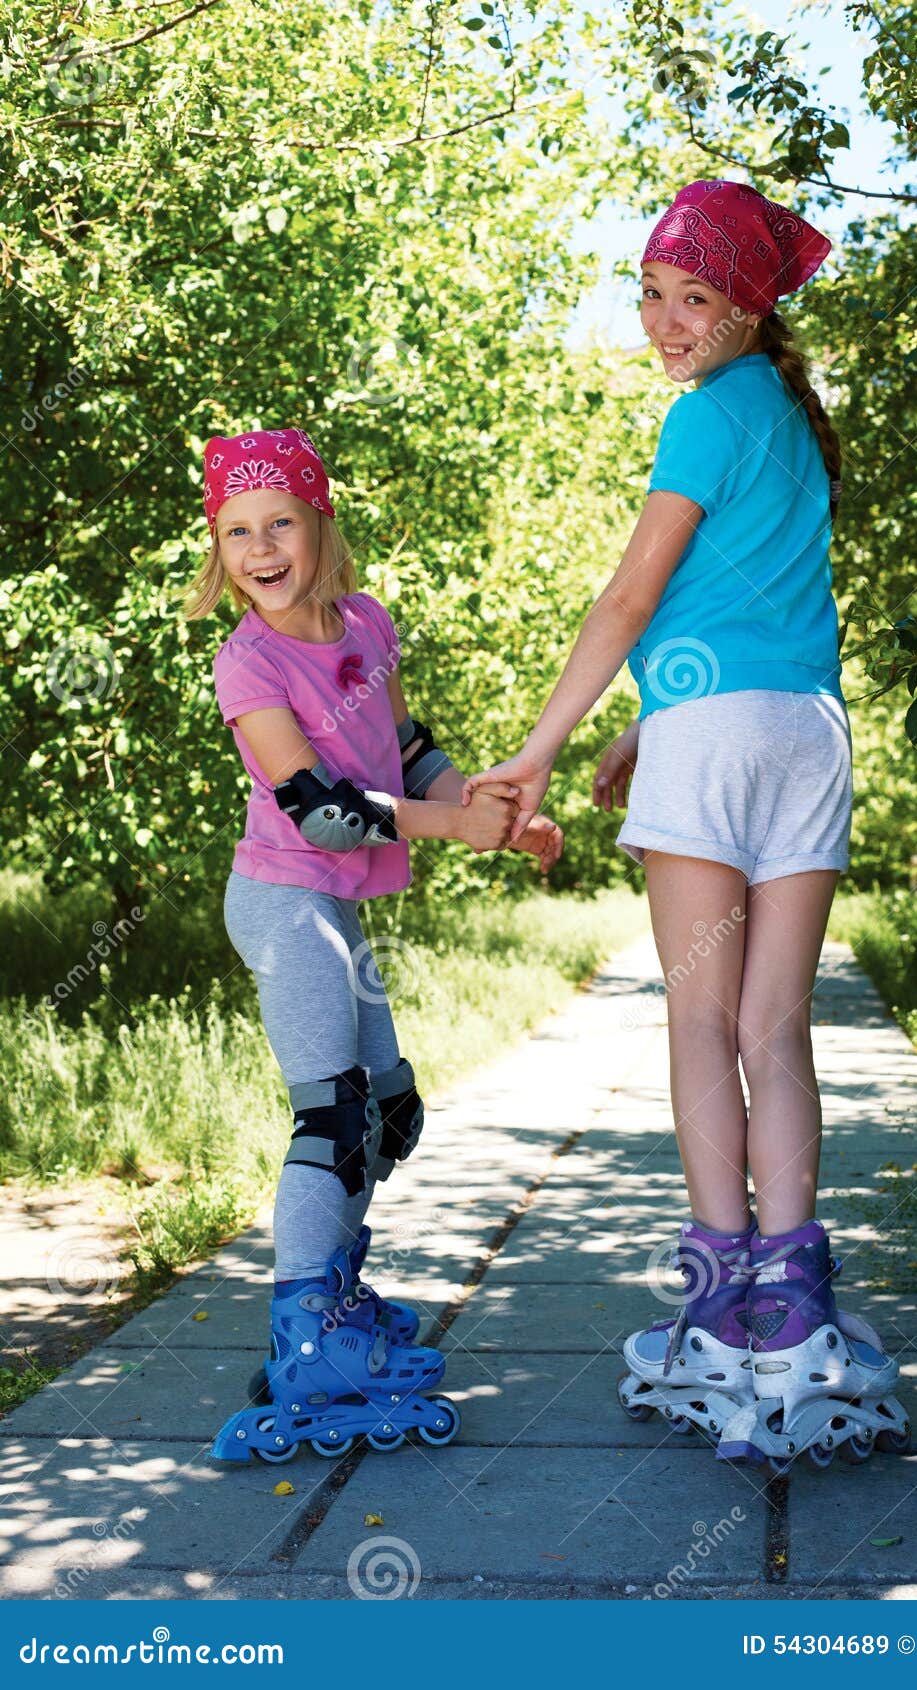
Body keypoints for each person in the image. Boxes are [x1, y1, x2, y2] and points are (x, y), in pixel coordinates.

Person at [463, 180, 909, 1473]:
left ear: (746, 307)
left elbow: (629, 597)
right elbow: (740, 613)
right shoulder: (785, 416)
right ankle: (795, 1309)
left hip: (715, 743)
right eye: (649, 295)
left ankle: (719, 1310)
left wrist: (539, 748)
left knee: (700, 1022)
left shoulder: (699, 417)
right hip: (803, 733)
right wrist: (646, 723)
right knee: (776, 1026)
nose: (663, 321)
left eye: (692, 298)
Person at [184, 426, 562, 1462]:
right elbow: (321, 810)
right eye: (236, 532)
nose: (260, 548)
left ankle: (335, 1297)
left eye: (280, 523)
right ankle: (305, 1334)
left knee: (389, 1111)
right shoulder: (245, 662)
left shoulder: (367, 624)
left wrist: (495, 813)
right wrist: (453, 826)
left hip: (334, 911)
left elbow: (406, 752)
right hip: (281, 900)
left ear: (321, 524)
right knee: (334, 1113)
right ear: (219, 551)